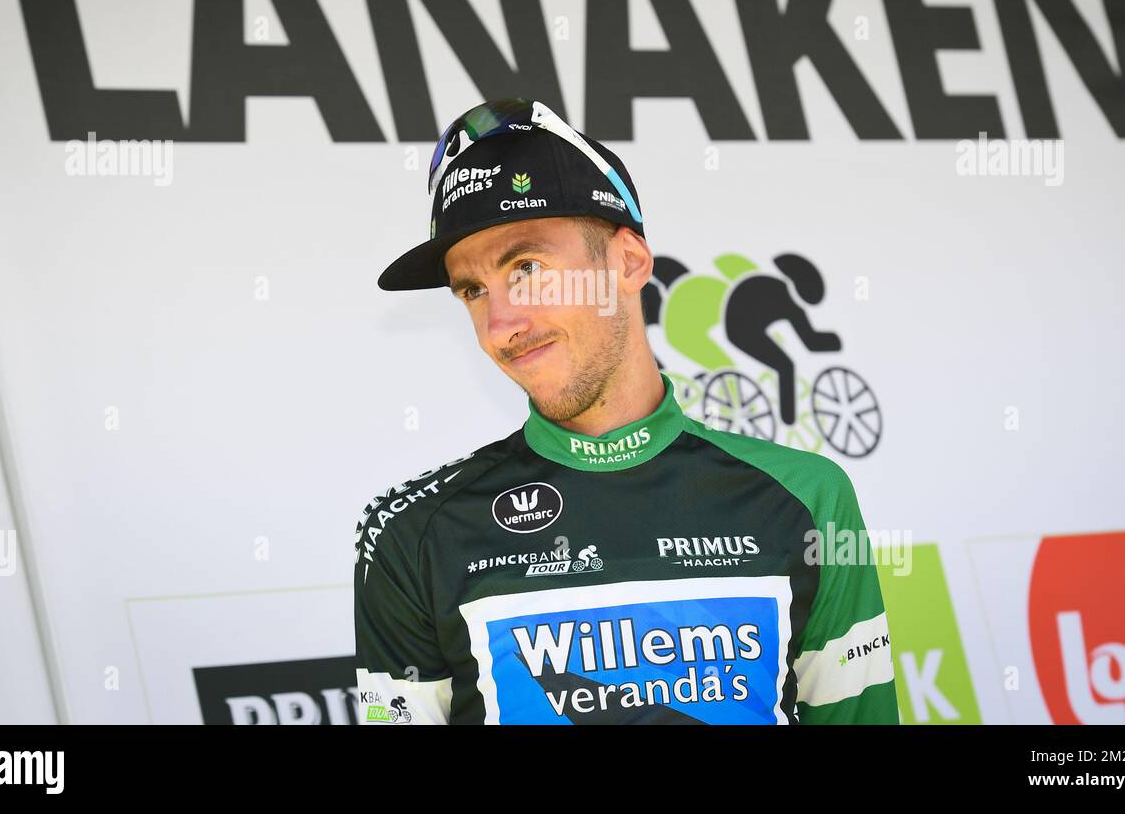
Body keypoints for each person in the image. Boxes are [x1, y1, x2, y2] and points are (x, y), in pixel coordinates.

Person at [354, 97, 898, 725]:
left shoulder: (808, 498)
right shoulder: (409, 532)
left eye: (526, 267)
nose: (501, 325)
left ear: (629, 262)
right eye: (473, 290)